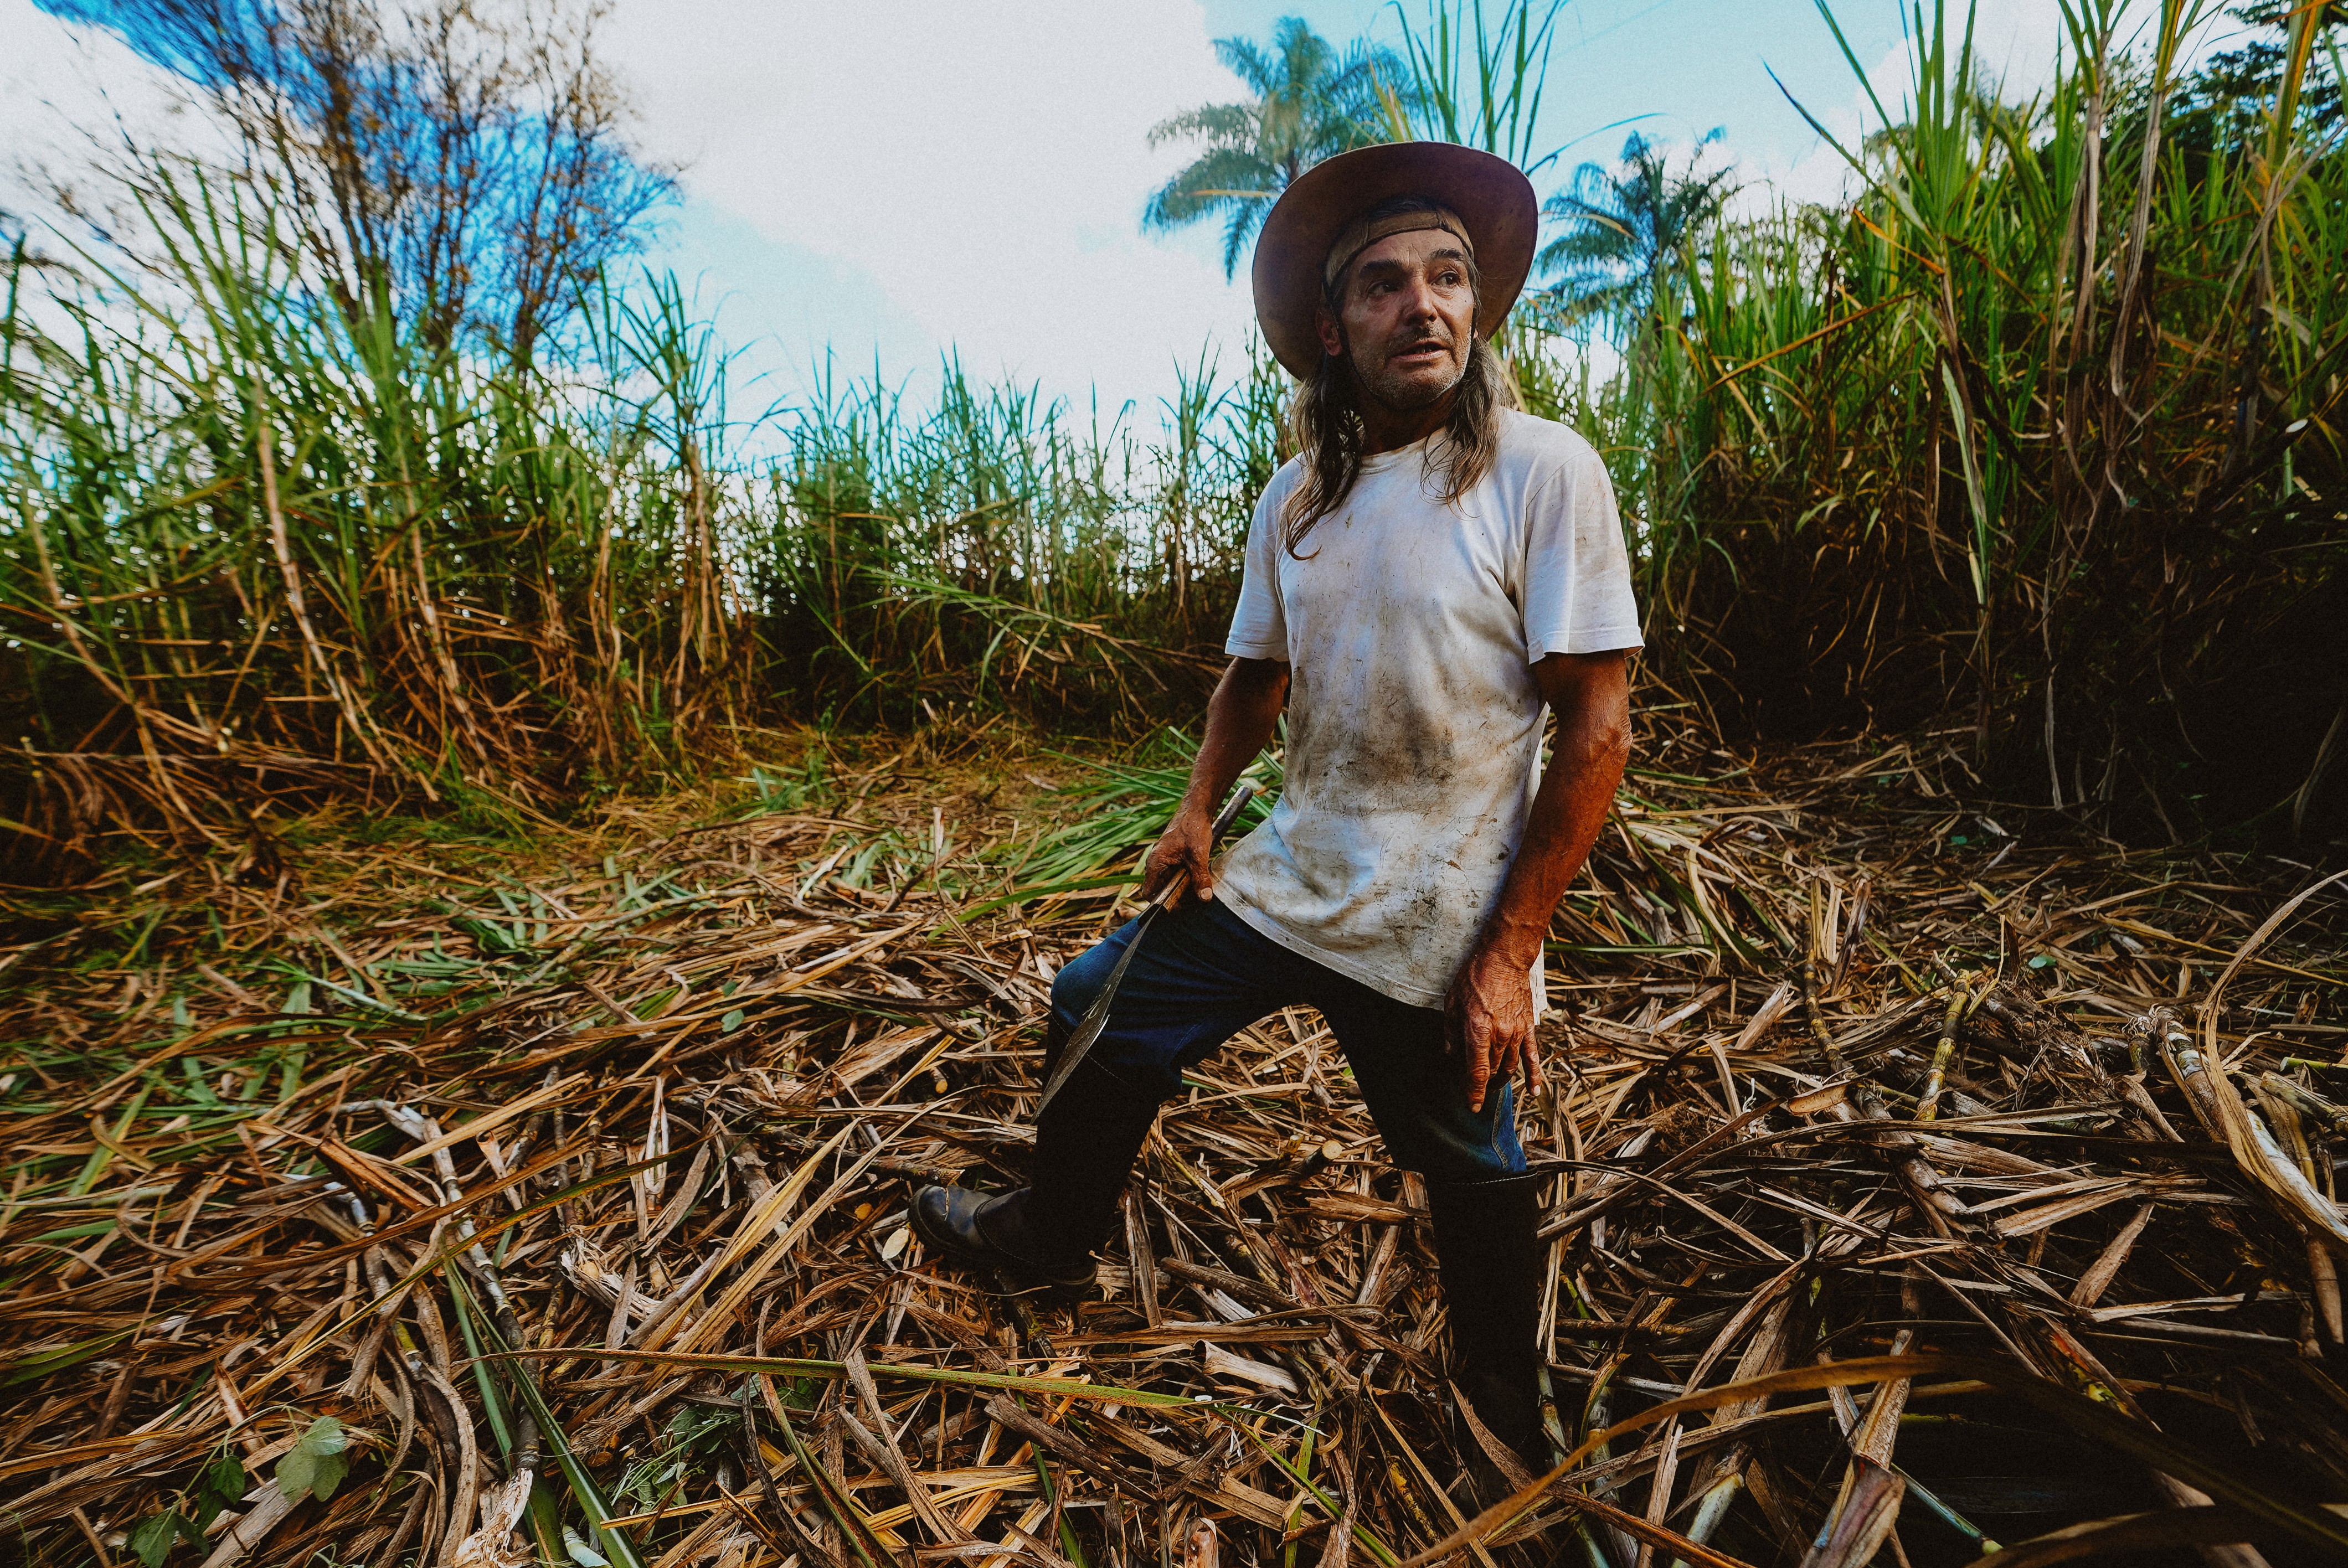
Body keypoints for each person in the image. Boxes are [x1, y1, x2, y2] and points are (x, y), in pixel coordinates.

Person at [910, 141, 1639, 1483]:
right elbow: (1252, 680)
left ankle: (1503, 1399)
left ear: (1476, 309)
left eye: (1446, 278)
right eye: (1383, 284)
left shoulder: (1541, 472)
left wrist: (1509, 952)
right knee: (1095, 1004)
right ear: (1332, 329)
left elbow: (1595, 729)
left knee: (1471, 1161)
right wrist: (1197, 812)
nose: (1420, 305)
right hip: (1293, 871)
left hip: (1438, 904)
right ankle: (1051, 1236)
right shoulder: (1297, 499)